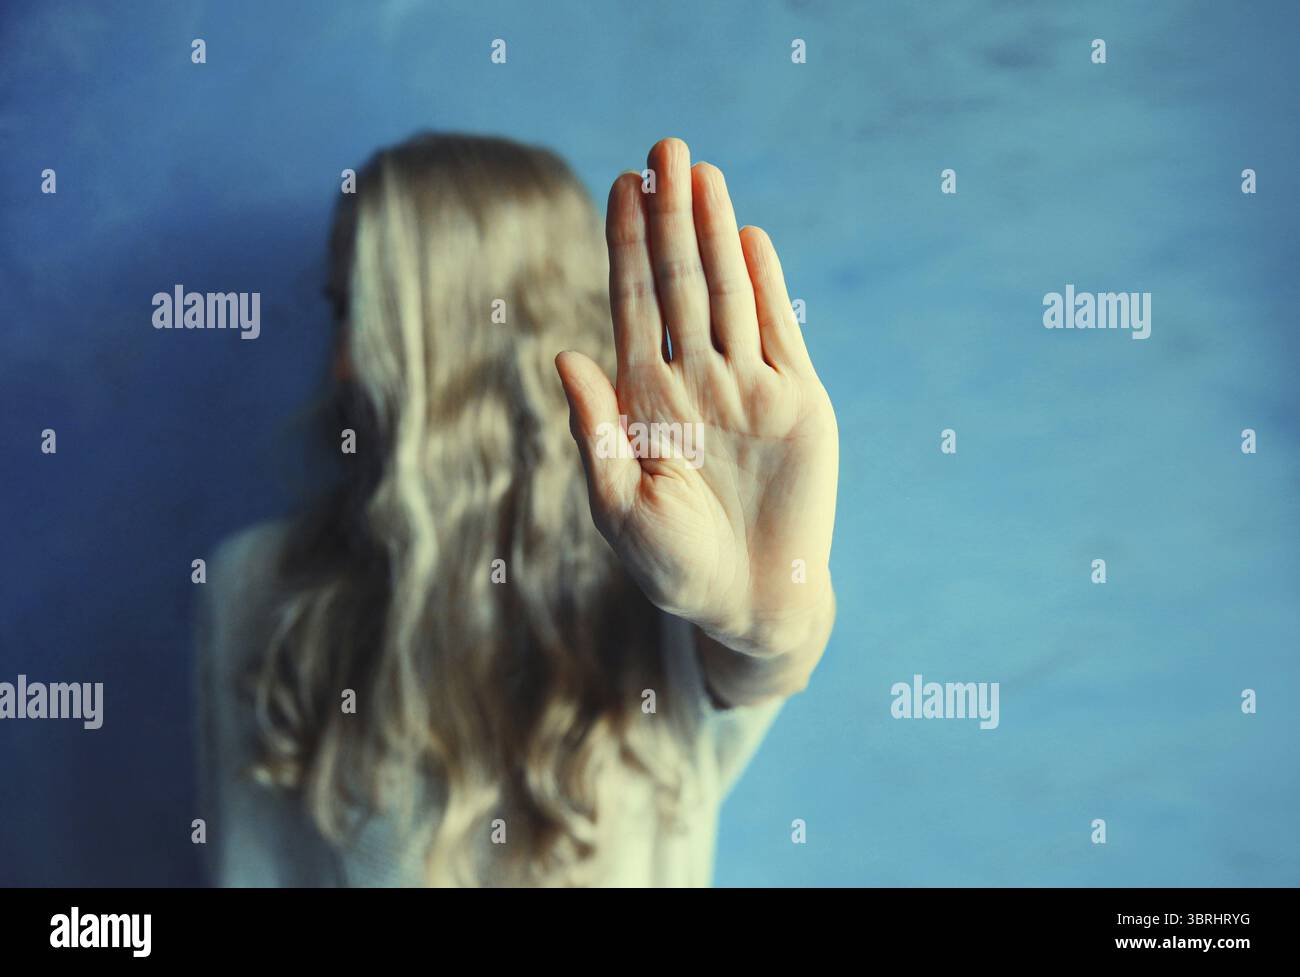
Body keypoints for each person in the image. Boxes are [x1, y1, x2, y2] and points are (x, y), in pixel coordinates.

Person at [196, 133, 839, 886]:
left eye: (365, 315)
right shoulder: (257, 588)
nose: (339, 361)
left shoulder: (653, 584)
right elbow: (253, 869)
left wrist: (771, 620)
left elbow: (758, 664)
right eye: (341, 310)